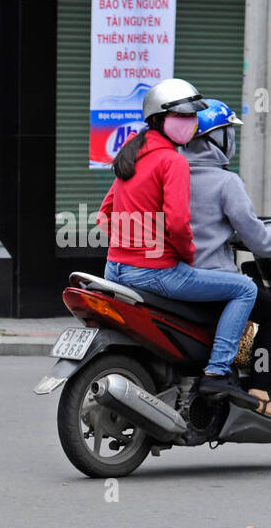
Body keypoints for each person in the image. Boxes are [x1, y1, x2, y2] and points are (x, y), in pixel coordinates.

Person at [99, 77, 257, 405]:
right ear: (160, 120)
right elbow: (178, 224)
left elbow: (105, 214)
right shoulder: (172, 162)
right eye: (183, 117)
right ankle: (217, 372)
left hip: (114, 269)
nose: (190, 123)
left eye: (192, 118)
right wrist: (185, 256)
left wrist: (129, 244)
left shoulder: (132, 154)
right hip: (155, 271)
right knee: (245, 289)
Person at [182, 98, 271, 419]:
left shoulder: (173, 176)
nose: (233, 140)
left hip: (175, 276)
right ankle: (260, 389)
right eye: (229, 132)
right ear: (216, 138)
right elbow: (258, 239)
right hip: (212, 280)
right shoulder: (227, 182)